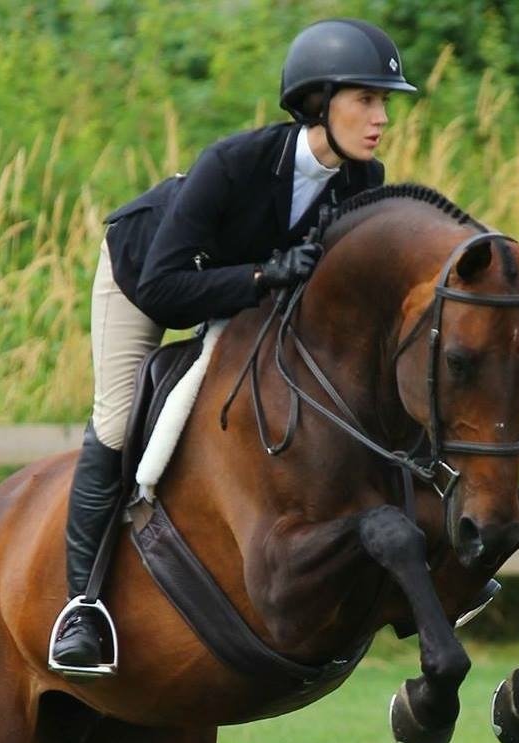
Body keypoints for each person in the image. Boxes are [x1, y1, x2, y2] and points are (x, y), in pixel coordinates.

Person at [50, 18, 417, 673]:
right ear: (318, 103)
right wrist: (260, 277)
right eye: (366, 99)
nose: (380, 116)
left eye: (384, 102)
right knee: (115, 418)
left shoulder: (364, 182)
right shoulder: (235, 163)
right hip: (144, 275)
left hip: (242, 297)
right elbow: (166, 285)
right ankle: (80, 608)